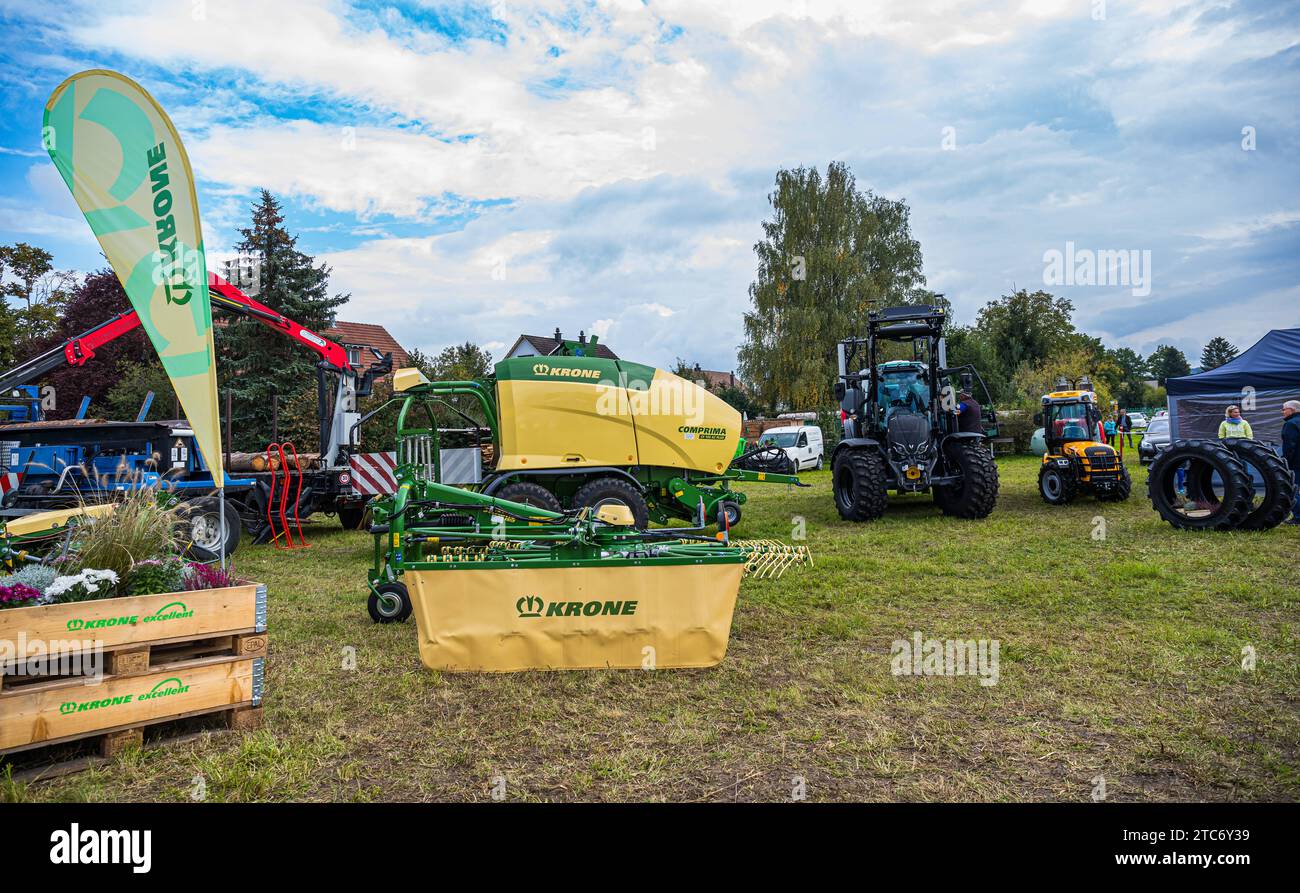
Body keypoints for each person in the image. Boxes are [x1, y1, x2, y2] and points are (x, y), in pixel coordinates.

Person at [1282, 400, 1300, 525]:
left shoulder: (1291, 424)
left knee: (1293, 490)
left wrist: (1285, 462)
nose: (1282, 411)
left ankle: (1298, 517)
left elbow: (1289, 446)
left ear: (1292, 410)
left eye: (1284, 409)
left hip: (1295, 463)